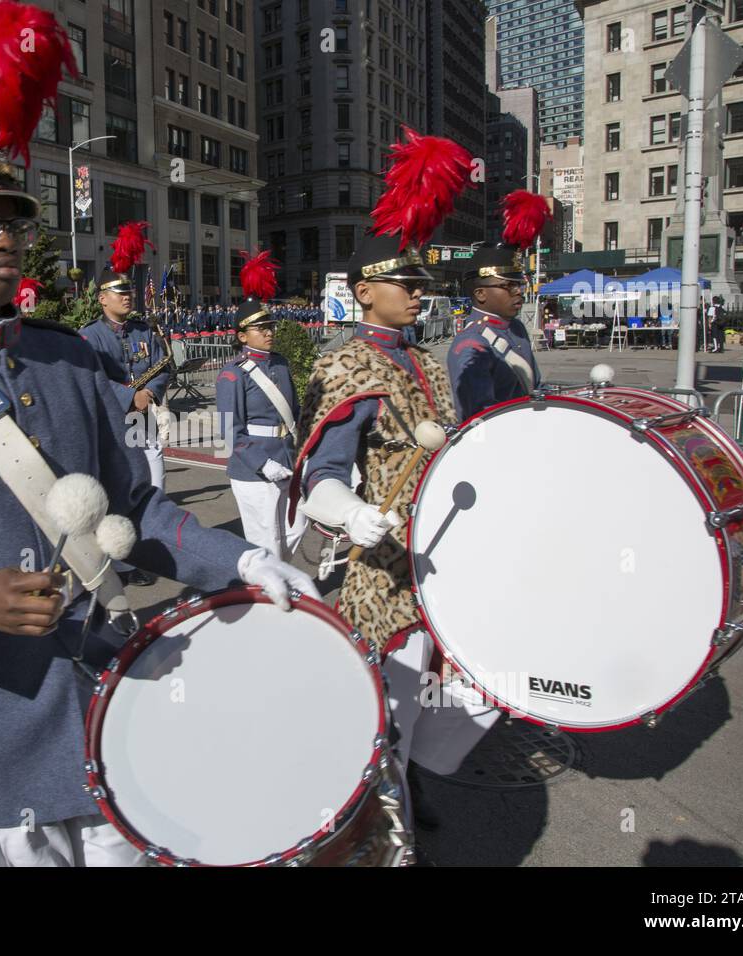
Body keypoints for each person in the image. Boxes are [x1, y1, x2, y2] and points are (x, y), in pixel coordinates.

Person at [0, 5, 316, 868]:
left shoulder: (68, 360)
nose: (3, 236)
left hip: (103, 707)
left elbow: (136, 505)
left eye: (15, 218)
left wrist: (240, 562)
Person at [292, 132, 501, 829]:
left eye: (421, 283)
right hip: (385, 572)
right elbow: (321, 471)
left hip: (448, 560)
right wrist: (350, 515)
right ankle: (379, 823)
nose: (419, 293)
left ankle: (408, 790)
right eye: (404, 284)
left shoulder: (433, 362)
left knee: (473, 691)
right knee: (391, 712)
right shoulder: (349, 367)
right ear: (362, 294)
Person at [216, 252, 306, 561]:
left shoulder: (279, 363)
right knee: (266, 541)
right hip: (255, 467)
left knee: (296, 526)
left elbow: (293, 412)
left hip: (286, 455)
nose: (269, 332)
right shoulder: (232, 374)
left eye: (270, 326)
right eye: (260, 328)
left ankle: (275, 582)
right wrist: (262, 463)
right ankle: (269, 594)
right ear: (242, 336)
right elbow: (231, 429)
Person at [79, 222, 171, 494]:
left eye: (129, 292)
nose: (128, 297)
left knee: (157, 489)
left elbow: (162, 368)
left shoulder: (142, 329)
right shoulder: (90, 335)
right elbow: (89, 379)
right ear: (103, 299)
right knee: (120, 495)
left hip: (144, 421)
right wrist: (129, 397)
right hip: (111, 423)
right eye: (120, 293)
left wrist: (150, 393)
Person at [446, 245, 542, 421]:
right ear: (481, 294)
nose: (518, 291)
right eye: (508, 286)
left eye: (519, 284)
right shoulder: (471, 343)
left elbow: (535, 386)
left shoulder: (516, 328)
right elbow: (482, 416)